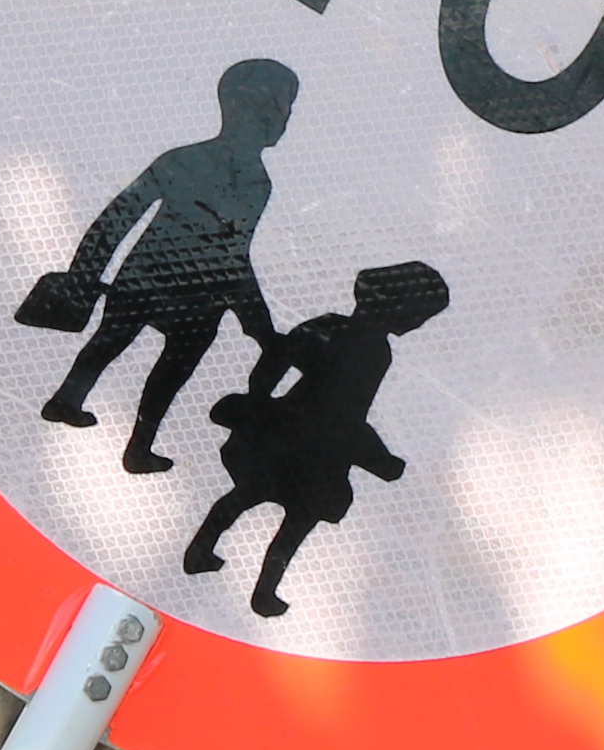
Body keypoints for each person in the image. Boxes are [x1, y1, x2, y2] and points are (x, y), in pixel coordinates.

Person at [25, 56, 296, 471]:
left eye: (287, 108)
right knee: (129, 352)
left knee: (136, 355)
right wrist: (84, 276)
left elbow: (229, 252)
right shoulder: (213, 170)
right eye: (278, 106)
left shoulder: (232, 174)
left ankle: (106, 427)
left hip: (172, 288)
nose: (284, 119)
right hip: (172, 288)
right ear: (244, 108)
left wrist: (257, 323)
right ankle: (92, 418)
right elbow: (124, 217)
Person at [180, 261, 451, 615]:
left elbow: (295, 374)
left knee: (268, 507)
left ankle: (247, 580)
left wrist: (261, 396)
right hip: (304, 437)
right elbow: (294, 370)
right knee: (269, 508)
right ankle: (225, 567)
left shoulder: (356, 340)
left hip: (309, 439)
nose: (416, 325)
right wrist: (259, 400)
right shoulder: (354, 341)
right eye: (418, 316)